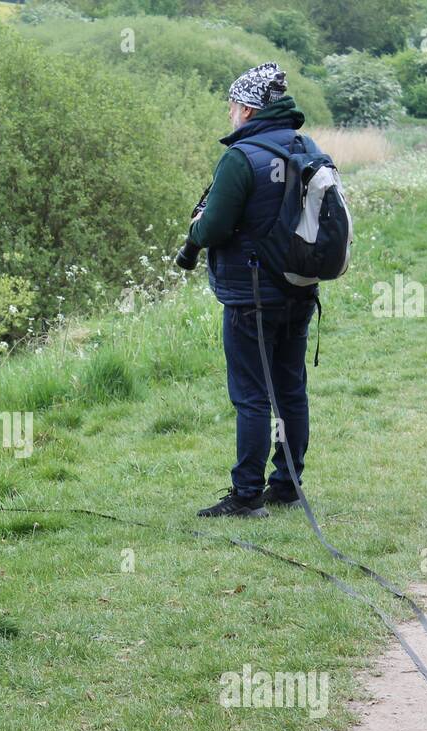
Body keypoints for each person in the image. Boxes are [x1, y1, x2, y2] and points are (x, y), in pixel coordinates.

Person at [184, 63, 317, 518]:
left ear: (247, 109)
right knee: (290, 389)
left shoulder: (241, 157)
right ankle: (287, 485)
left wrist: (196, 227)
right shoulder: (307, 147)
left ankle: (245, 496)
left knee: (252, 395)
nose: (229, 112)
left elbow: (214, 228)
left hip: (251, 296)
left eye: (232, 105)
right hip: (299, 289)